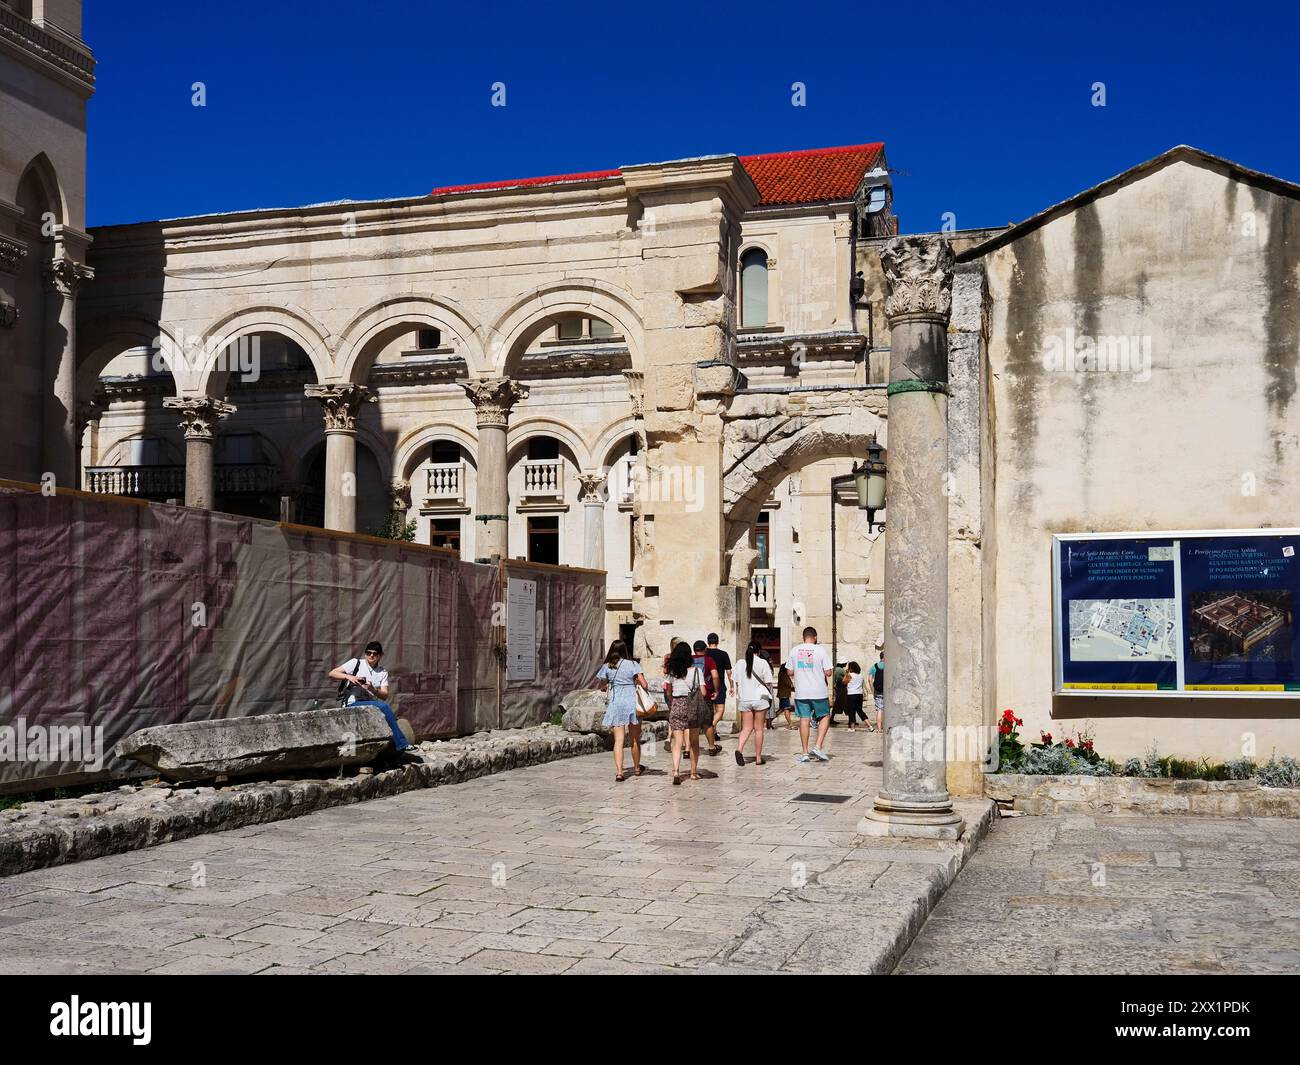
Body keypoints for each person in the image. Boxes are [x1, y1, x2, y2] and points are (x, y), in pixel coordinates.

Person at [328, 642, 418, 761]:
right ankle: (402, 743)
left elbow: (385, 695)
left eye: (374, 654)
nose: (371, 656)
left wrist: (372, 689)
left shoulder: (382, 672)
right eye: (368, 653)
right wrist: (350, 677)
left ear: (380, 656)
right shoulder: (356, 663)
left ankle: (390, 750)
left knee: (383, 707)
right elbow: (332, 673)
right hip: (351, 703)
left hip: (369, 704)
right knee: (383, 706)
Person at [594, 639, 648, 782]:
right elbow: (644, 684)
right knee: (634, 739)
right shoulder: (633, 664)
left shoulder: (608, 666)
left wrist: (608, 685)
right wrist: (634, 680)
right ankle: (637, 768)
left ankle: (619, 772)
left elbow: (601, 685)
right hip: (631, 703)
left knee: (618, 740)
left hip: (616, 703)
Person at [786, 627, 833, 763]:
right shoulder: (821, 650)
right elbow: (828, 672)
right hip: (818, 691)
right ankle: (817, 746)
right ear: (815, 637)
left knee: (804, 720)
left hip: (801, 691)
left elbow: (789, 671)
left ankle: (805, 753)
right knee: (824, 716)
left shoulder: (794, 651)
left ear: (803, 637)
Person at [665, 641, 706, 785]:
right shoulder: (696, 671)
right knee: (694, 742)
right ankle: (693, 773)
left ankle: (676, 771)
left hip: (677, 705)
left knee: (677, 742)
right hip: (692, 707)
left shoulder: (672, 672)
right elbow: (704, 692)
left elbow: (668, 692)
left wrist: (674, 700)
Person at [732, 641, 774, 766]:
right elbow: (768, 682)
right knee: (759, 729)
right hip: (759, 699)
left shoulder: (740, 663)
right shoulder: (762, 663)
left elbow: (736, 681)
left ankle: (739, 749)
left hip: (745, 699)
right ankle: (758, 758)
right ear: (759, 651)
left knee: (746, 728)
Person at [704, 633, 734, 755]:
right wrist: (732, 686)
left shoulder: (704, 653)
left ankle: (712, 731)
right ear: (718, 641)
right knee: (720, 710)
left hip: (706, 686)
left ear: (707, 641)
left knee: (711, 711)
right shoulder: (723, 654)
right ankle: (710, 727)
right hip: (720, 685)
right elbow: (729, 672)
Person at [691, 640, 722, 756]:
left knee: (691, 723)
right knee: (708, 723)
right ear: (705, 650)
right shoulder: (709, 660)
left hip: (690, 696)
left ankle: (687, 750)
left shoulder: (689, 660)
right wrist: (716, 690)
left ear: (694, 650)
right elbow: (715, 676)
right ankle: (711, 746)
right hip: (706, 695)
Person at [844, 661, 866, 731]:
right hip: (859, 694)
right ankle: (869, 725)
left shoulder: (849, 675)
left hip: (851, 694)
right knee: (859, 710)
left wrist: (847, 673)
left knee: (851, 711)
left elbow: (844, 681)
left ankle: (852, 728)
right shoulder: (861, 675)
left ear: (851, 668)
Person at [868, 651, 885, 732]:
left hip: (877, 691)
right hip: (887, 691)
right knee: (886, 709)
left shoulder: (874, 666)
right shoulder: (889, 665)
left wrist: (872, 690)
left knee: (879, 709)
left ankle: (879, 729)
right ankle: (885, 727)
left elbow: (869, 679)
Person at [773, 664, 794, 729]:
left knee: (781, 710)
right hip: (784, 695)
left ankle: (768, 721)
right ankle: (790, 724)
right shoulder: (784, 676)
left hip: (782, 695)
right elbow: (789, 685)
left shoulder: (781, 675)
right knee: (786, 709)